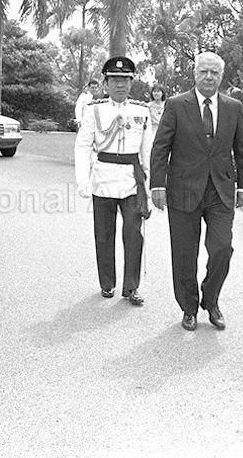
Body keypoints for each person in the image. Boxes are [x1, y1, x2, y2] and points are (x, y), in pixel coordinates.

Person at [150, 51, 243, 331]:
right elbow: (161, 147)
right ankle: (189, 307)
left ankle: (211, 298)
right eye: (204, 72)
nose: (209, 77)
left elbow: (241, 149)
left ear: (221, 76)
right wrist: (157, 184)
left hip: (220, 190)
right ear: (195, 74)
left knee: (222, 248)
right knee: (184, 253)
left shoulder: (232, 107)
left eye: (214, 73)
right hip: (183, 189)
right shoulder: (175, 104)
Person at [75, 56, 153, 306]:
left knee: (133, 235)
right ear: (106, 84)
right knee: (104, 235)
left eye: (125, 80)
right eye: (115, 80)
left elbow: (147, 151)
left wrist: (149, 186)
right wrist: (82, 180)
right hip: (103, 179)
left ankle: (131, 287)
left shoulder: (141, 111)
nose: (120, 85)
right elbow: (83, 146)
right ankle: (106, 283)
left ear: (131, 84)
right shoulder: (94, 110)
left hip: (132, 181)